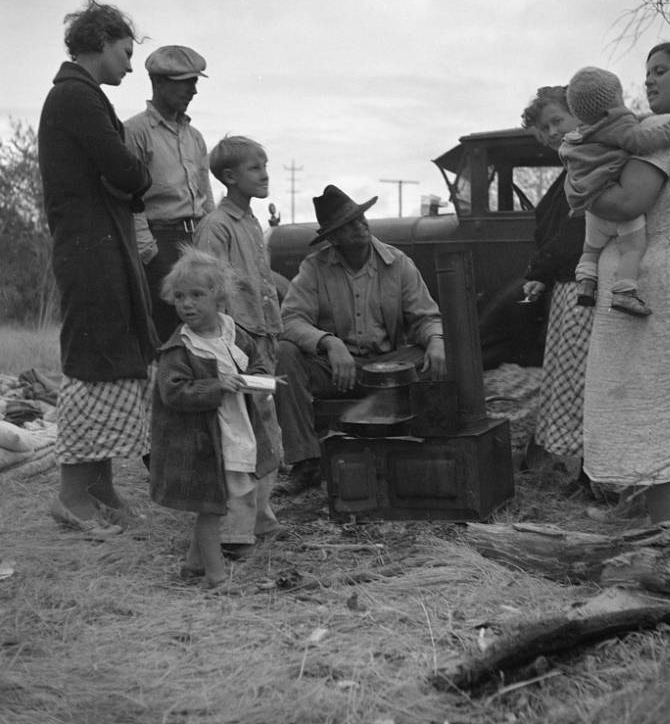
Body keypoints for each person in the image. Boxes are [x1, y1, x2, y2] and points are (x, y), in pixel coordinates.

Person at [582, 40, 670, 524]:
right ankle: (649, 518)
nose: (648, 79)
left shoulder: (662, 129)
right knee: (657, 398)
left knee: (641, 397)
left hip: (646, 278)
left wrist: (580, 189)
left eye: (661, 70)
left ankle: (662, 532)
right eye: (647, 72)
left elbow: (627, 203)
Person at [37, 0, 158, 538]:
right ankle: (71, 495)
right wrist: (133, 176)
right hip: (90, 249)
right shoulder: (75, 97)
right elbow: (128, 172)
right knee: (93, 362)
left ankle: (100, 486)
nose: (131, 65)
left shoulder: (84, 95)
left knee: (112, 353)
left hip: (101, 244)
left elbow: (122, 175)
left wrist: (126, 178)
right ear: (101, 42)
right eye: (126, 52)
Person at [275, 185, 447, 494]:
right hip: (338, 370)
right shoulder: (314, 268)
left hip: (389, 369)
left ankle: (430, 450)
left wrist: (435, 339)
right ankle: (306, 461)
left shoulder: (398, 263)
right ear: (333, 238)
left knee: (436, 353)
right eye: (348, 224)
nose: (360, 225)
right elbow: (289, 320)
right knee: (284, 353)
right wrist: (330, 343)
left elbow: (425, 317)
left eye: (361, 217)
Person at [149, 248, 280, 590]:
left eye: (196, 295)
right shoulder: (180, 348)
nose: (187, 304)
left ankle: (194, 564)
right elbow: (173, 392)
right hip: (203, 441)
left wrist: (261, 381)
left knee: (217, 501)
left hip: (235, 431)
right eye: (180, 297)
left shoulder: (233, 332)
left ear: (218, 296)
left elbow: (256, 362)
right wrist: (216, 386)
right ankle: (216, 577)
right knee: (212, 507)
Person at [193, 136, 285, 558]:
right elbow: (208, 286)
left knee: (265, 430)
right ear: (229, 177)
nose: (264, 174)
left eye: (265, 166)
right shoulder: (217, 226)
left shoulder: (250, 222)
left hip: (262, 337)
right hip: (236, 343)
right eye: (255, 168)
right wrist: (227, 345)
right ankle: (233, 533)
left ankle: (260, 519)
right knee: (240, 436)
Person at [561, 66, 670, 317]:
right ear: (615, 99)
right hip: (617, 204)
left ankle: (585, 284)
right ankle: (624, 293)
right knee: (632, 249)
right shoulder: (617, 123)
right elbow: (642, 142)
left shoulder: (576, 136)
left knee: (590, 250)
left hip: (592, 210)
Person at [518, 86, 591, 478]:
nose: (551, 133)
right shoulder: (571, 166)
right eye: (544, 129)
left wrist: (540, 270)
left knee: (582, 380)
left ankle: (592, 468)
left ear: (579, 114)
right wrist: (542, 276)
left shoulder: (591, 162)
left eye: (557, 121)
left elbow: (574, 232)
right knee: (569, 379)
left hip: (586, 289)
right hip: (567, 289)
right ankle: (578, 467)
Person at [125, 44, 215, 343]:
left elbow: (205, 194)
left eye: (195, 82)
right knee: (165, 330)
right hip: (160, 241)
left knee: (203, 330)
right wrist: (150, 253)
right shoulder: (135, 132)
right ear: (159, 82)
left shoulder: (195, 137)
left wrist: (211, 242)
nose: (193, 91)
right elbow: (129, 200)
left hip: (196, 241)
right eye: (186, 83)